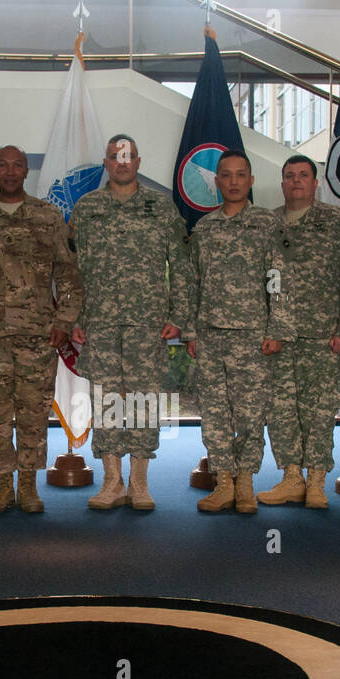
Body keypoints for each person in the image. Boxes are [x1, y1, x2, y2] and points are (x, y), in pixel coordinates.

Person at [0, 145, 82, 513]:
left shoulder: (48, 217)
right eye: (2, 165)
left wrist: (64, 322)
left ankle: (28, 485)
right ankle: (1, 486)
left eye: (17, 165)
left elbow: (68, 276)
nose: (10, 171)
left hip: (38, 336)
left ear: (26, 172)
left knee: (33, 412)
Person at [69, 133, 195, 511]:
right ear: (106, 163)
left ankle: (139, 483)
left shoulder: (162, 207)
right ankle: (112, 482)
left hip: (147, 324)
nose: (122, 162)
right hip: (101, 325)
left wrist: (179, 317)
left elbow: (182, 267)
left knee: (142, 401)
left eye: (128, 156)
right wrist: (75, 316)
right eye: (114, 156)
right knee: (106, 401)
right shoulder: (86, 208)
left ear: (139, 162)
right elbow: (73, 271)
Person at [257, 154, 340, 509]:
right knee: (281, 411)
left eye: (303, 176)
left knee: (319, 413)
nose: (296, 181)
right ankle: (291, 478)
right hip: (279, 337)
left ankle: (316, 481)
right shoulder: (267, 224)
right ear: (282, 184)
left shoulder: (336, 222)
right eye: (289, 176)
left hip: (323, 336)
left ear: (316, 183)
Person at [186, 149, 278, 514]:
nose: (234, 182)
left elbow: (279, 280)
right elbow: (193, 282)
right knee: (215, 413)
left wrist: (277, 329)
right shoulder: (204, 228)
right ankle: (224, 481)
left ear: (251, 181)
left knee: (252, 414)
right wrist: (191, 332)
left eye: (241, 175)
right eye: (226, 175)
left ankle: (246, 483)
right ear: (217, 181)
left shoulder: (268, 225)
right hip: (210, 336)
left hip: (253, 336)